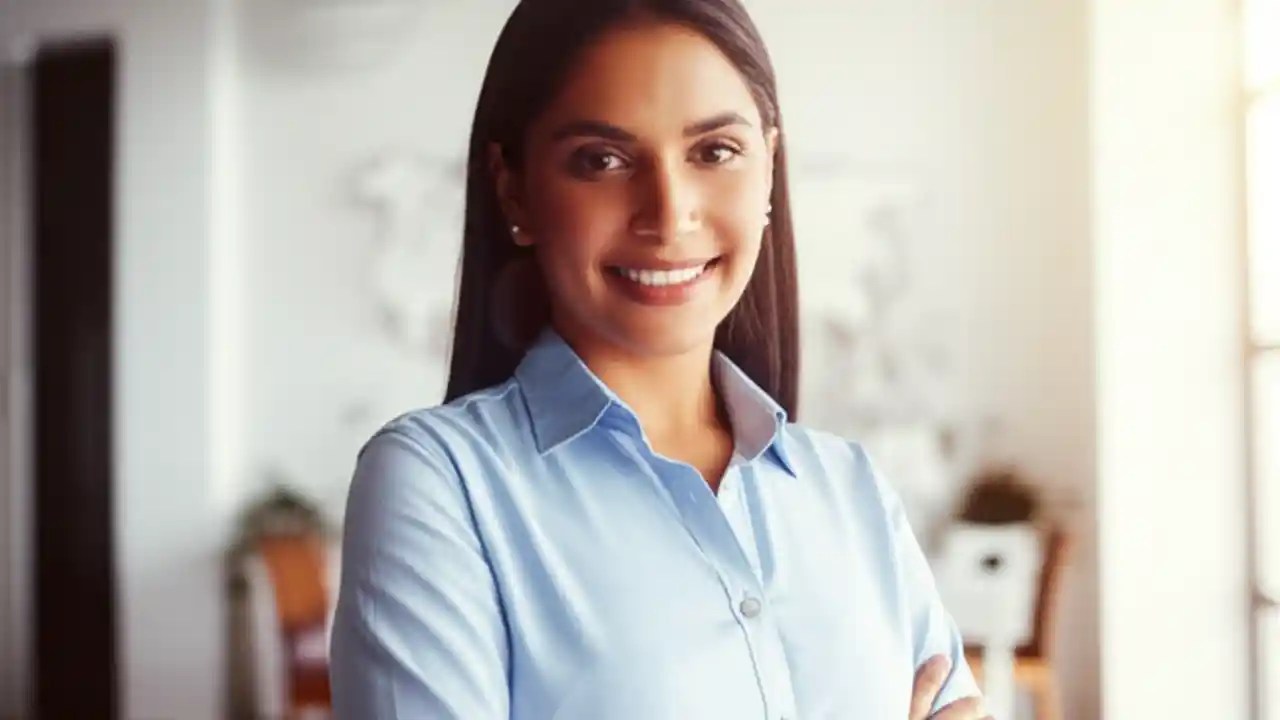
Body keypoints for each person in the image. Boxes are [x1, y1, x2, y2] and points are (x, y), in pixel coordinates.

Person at [329, 0, 988, 718]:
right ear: (513, 185)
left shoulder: (851, 489)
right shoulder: (440, 484)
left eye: (714, 152)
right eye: (603, 160)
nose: (669, 213)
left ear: (770, 165)